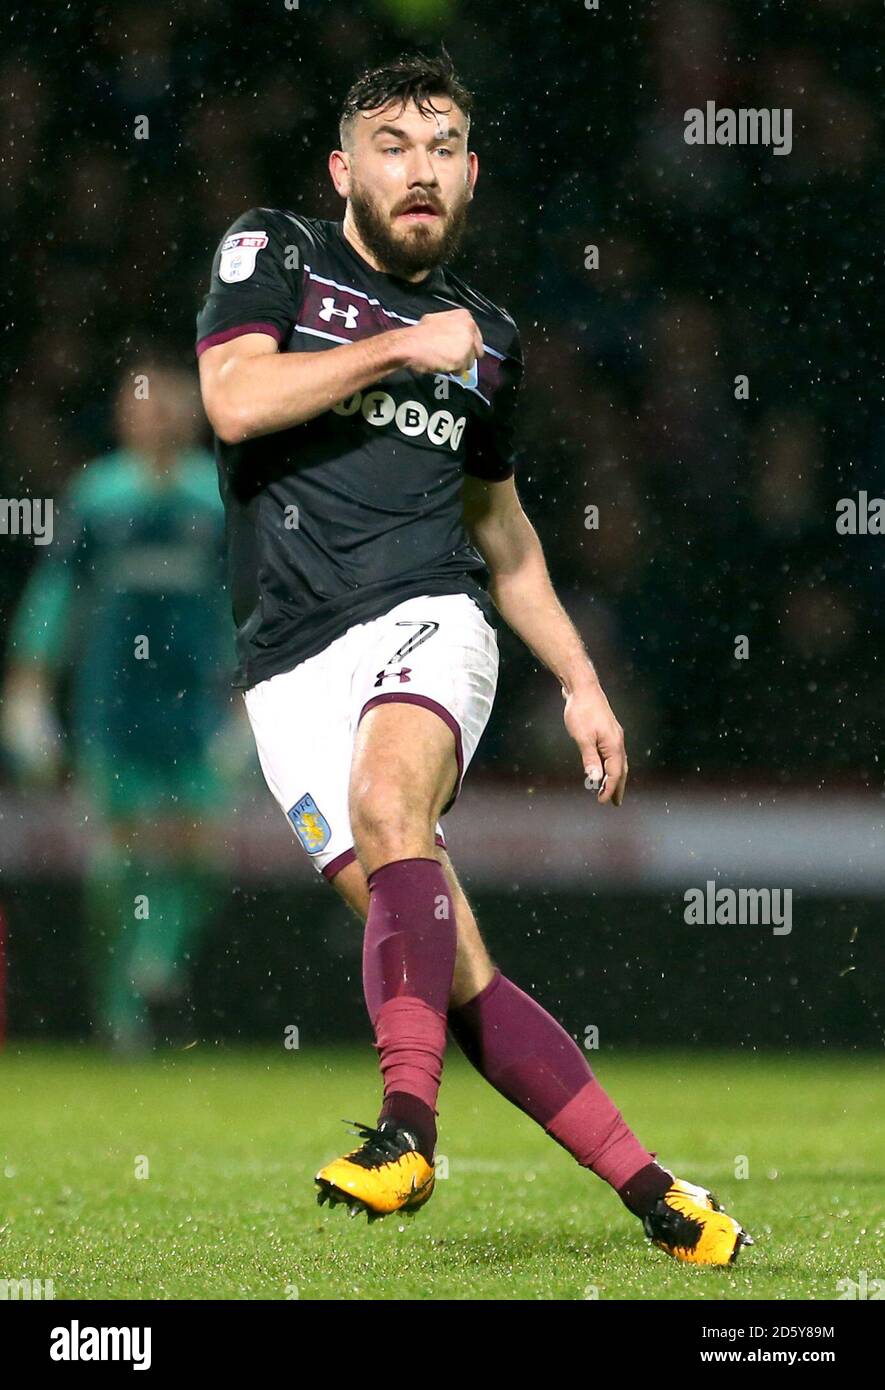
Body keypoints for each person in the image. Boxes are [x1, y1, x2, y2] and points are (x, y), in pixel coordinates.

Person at [195, 49, 751, 1265]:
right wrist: (400, 349)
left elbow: (502, 537)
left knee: (389, 800)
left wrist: (583, 679)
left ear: (473, 175)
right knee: (452, 966)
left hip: (429, 616)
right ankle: (660, 1195)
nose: (421, 170)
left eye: (444, 148)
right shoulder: (275, 254)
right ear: (343, 168)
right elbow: (234, 401)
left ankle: (406, 1133)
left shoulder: (489, 339)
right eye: (393, 145)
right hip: (286, 672)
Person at [2, 361, 230, 1051]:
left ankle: (159, 958)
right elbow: (56, 592)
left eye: (170, 408)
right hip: (115, 703)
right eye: (145, 407)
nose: (157, 418)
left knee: (200, 851)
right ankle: (122, 1002)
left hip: (194, 707)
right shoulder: (99, 495)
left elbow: (241, 600)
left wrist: (251, 693)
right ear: (125, 416)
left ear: (192, 416)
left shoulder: (215, 498)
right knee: (116, 860)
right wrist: (27, 686)